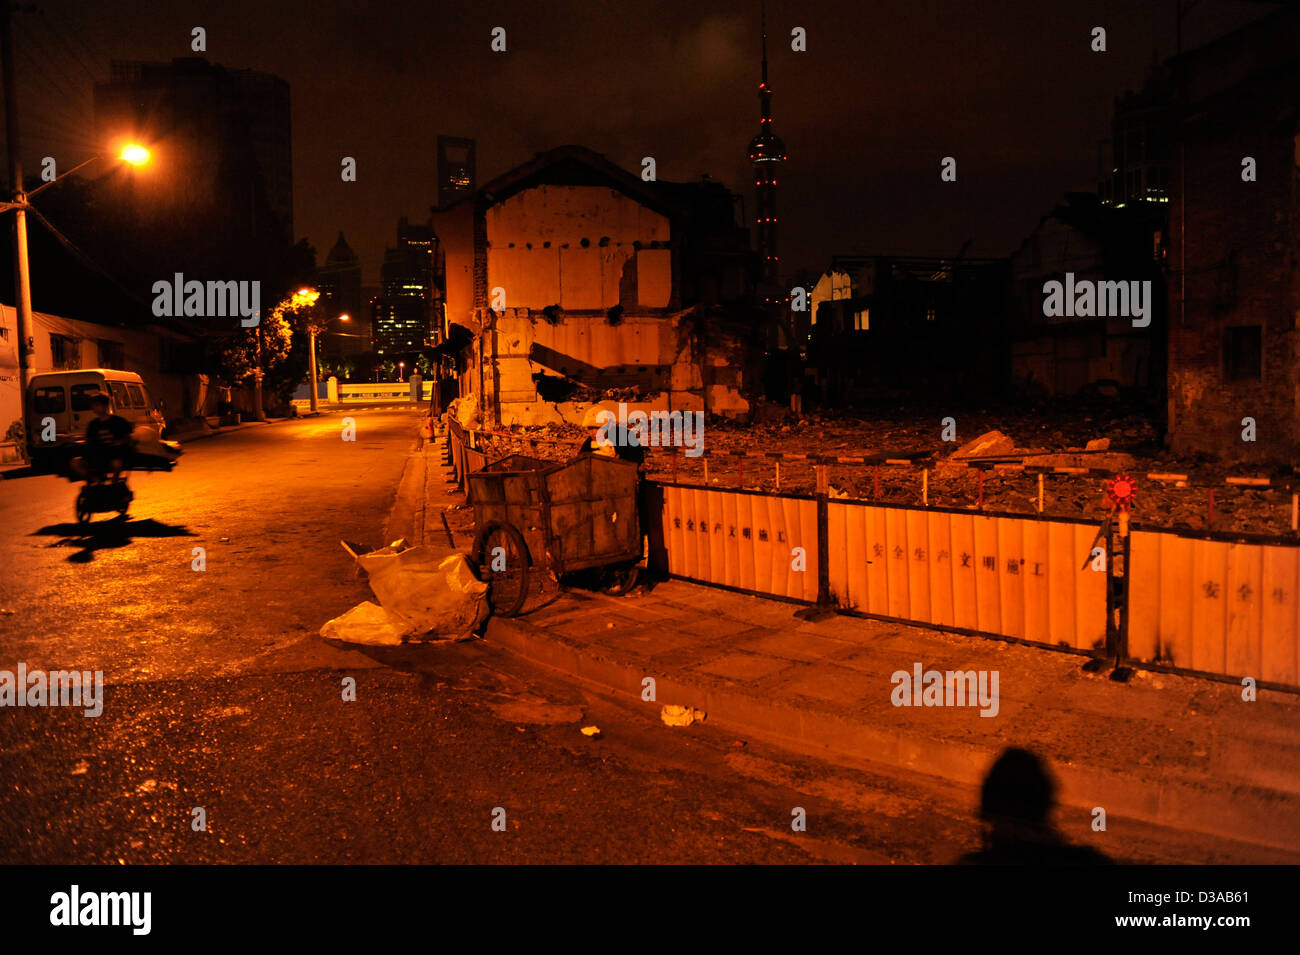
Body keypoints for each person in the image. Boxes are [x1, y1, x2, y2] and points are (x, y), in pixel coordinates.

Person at [74, 393, 133, 482]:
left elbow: (128, 437)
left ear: (105, 406)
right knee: (75, 462)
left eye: (97, 405)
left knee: (116, 463)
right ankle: (96, 481)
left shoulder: (118, 421)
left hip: (114, 454)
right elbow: (89, 441)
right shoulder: (93, 425)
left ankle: (114, 481)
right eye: (93, 406)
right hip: (97, 455)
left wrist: (121, 442)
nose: (95, 408)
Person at [577, 405, 644, 465]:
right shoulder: (589, 442)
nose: (594, 432)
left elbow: (637, 463)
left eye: (598, 428)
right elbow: (580, 462)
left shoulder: (625, 437)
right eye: (590, 428)